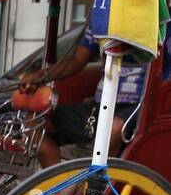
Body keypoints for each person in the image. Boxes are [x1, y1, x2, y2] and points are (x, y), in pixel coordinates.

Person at [22, 25, 147, 169]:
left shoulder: (157, 16)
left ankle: (92, 188)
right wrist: (41, 76)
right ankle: (62, 186)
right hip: (101, 103)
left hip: (140, 106)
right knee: (34, 122)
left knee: (114, 128)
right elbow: (77, 59)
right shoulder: (103, 14)